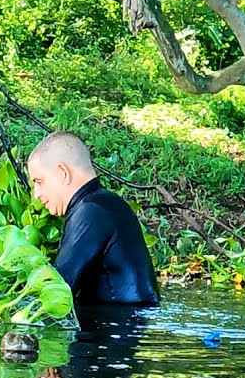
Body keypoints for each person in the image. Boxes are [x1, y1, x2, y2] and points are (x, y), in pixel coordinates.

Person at [26, 131, 159, 306]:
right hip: (129, 322)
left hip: (117, 325)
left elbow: (58, 288)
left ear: (62, 173)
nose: (37, 194)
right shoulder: (106, 204)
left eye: (39, 181)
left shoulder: (90, 211)